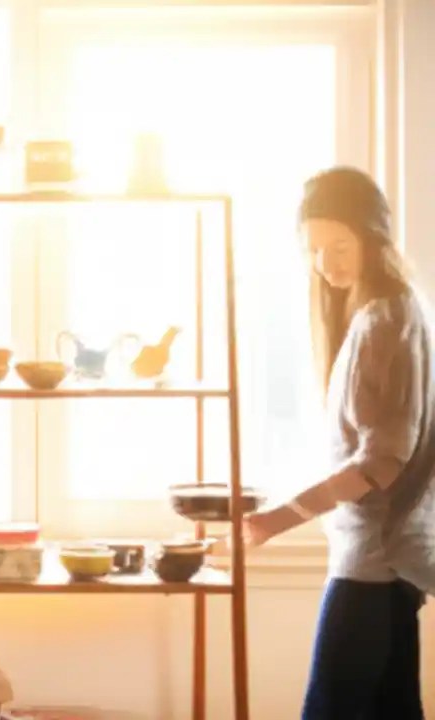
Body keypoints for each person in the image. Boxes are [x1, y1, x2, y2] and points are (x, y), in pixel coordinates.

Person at [242, 166, 435, 719]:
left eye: (341, 245)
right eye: (316, 249)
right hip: (395, 564)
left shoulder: (383, 322)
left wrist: (273, 521)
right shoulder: (401, 310)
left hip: (371, 566)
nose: (328, 263)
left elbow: (381, 463)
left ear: (374, 239)